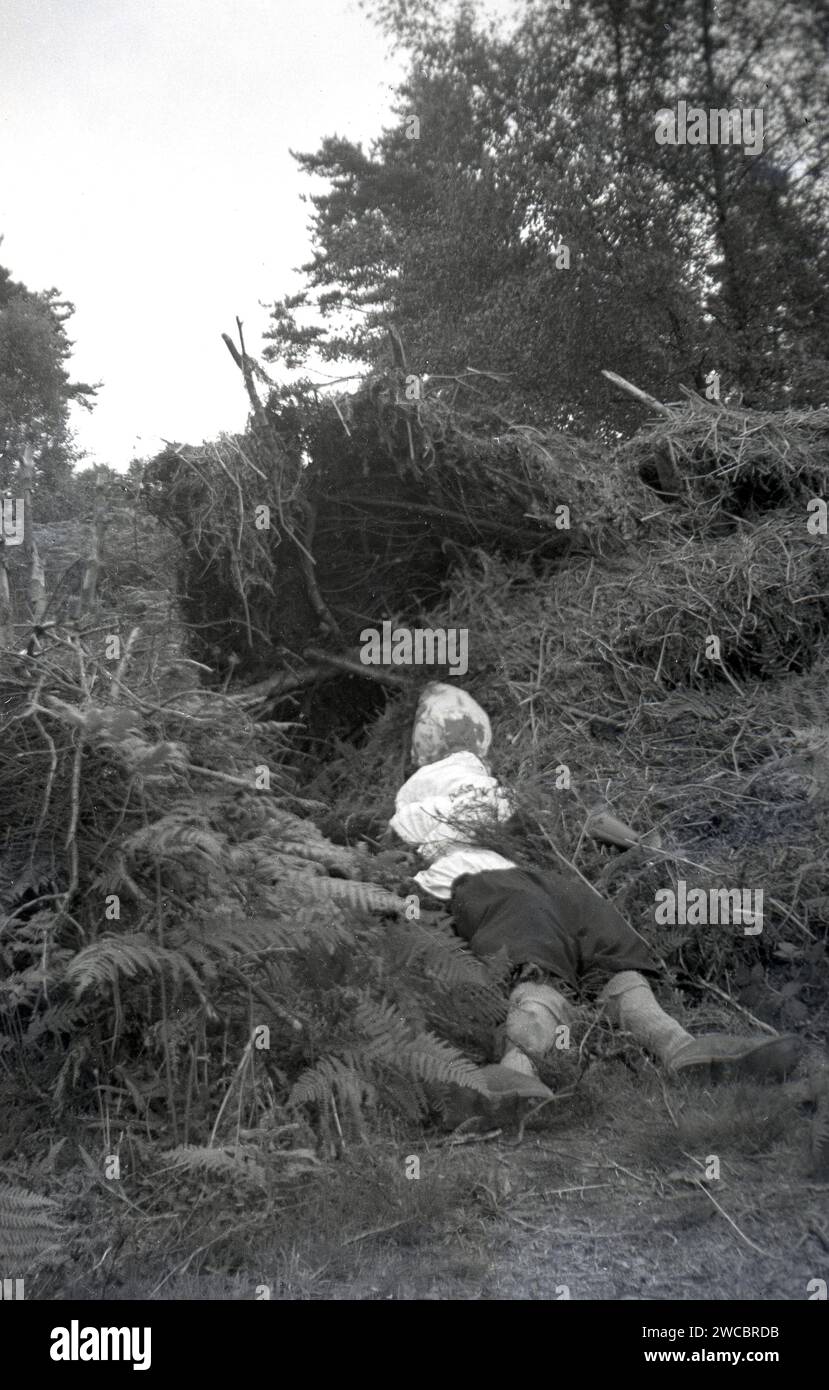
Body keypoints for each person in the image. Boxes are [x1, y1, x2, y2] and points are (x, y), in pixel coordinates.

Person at [390, 681, 802, 1113]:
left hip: (522, 875)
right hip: (469, 877)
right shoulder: (417, 799)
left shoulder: (491, 787)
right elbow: (398, 853)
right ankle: (515, 1070)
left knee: (595, 920)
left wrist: (639, 844)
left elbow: (569, 817)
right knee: (531, 934)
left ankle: (677, 1045)